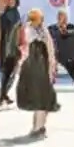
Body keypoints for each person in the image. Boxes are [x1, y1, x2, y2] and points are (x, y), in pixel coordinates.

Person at [16, 8, 59, 138]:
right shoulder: (43, 32)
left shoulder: (28, 31)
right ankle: (39, 127)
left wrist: (20, 65)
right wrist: (52, 68)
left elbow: (24, 51)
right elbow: (50, 52)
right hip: (41, 68)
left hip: (32, 68)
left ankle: (38, 127)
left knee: (39, 99)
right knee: (44, 98)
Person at [0, 0, 22, 107]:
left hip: (15, 46)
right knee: (7, 72)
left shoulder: (16, 13)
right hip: (7, 47)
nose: (11, 0)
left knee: (10, 72)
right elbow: (1, 33)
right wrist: (0, 47)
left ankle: (3, 95)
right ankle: (2, 96)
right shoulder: (5, 15)